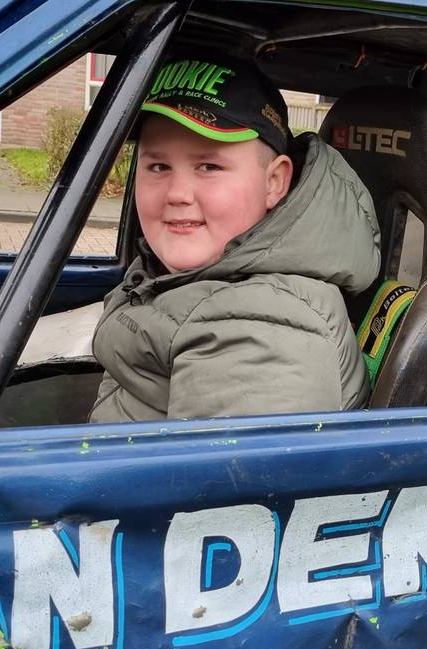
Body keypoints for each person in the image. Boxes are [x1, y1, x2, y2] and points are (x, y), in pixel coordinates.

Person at [89, 54, 380, 422]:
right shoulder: (186, 277)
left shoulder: (263, 329)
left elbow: (205, 479)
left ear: (274, 182)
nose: (177, 193)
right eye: (158, 166)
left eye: (209, 166)